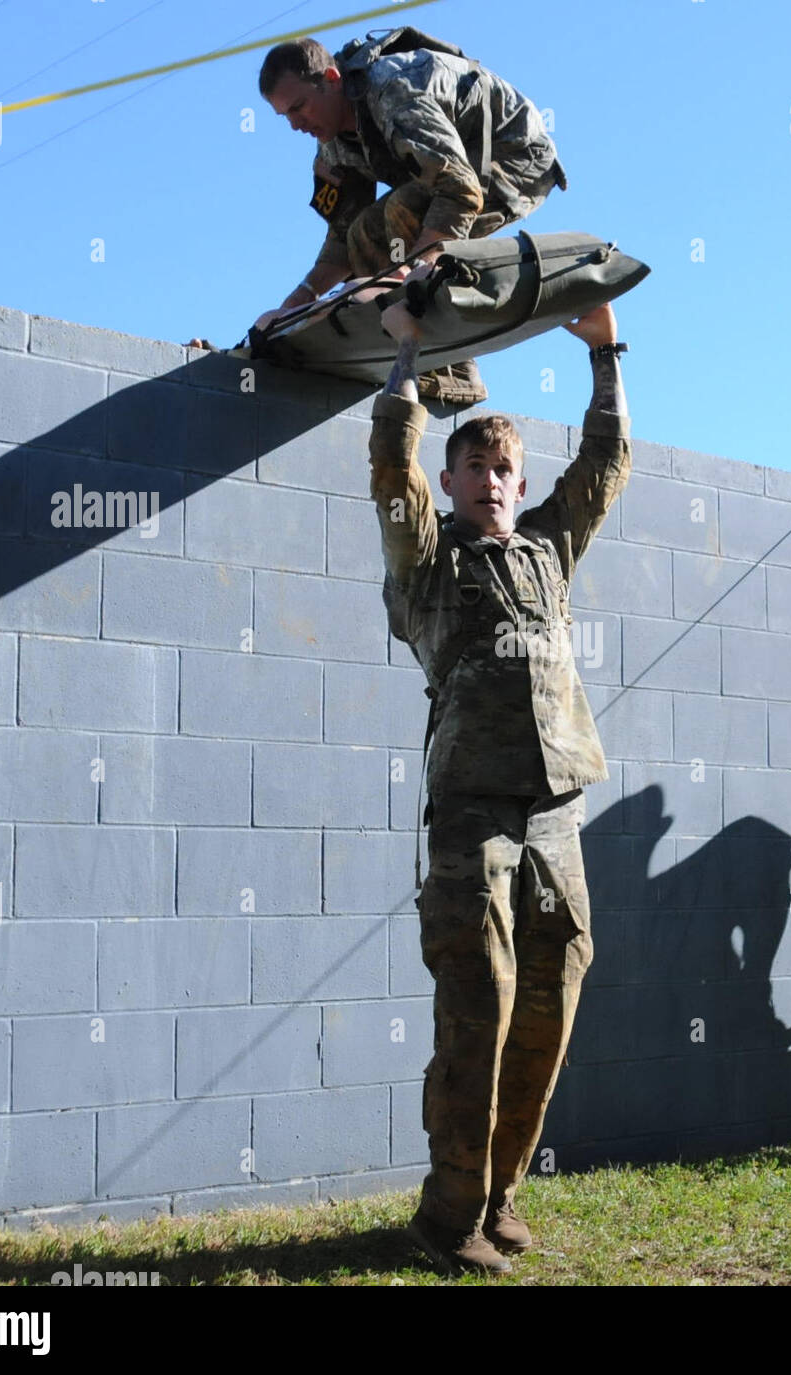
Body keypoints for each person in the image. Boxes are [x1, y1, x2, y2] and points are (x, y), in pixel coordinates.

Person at [368, 284, 629, 1274]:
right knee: (478, 1005)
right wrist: (405, 358)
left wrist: (604, 356)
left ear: (520, 485)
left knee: (549, 1009)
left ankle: (502, 1193)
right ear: (452, 480)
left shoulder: (548, 551)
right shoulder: (427, 561)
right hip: (473, 818)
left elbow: (602, 468)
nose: (492, 480)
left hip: (557, 817)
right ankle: (447, 1216)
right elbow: (390, 470)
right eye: (475, 466)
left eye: (505, 468)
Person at [247, 28, 566, 404]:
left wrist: (411, 274)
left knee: (405, 210)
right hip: (450, 173)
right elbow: (343, 233)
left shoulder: (393, 91)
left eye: (299, 107)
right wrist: (299, 301)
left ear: (330, 81)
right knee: (366, 230)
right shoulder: (329, 143)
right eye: (285, 116)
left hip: (515, 158)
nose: (295, 125)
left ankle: (455, 370)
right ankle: (395, 347)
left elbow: (457, 190)